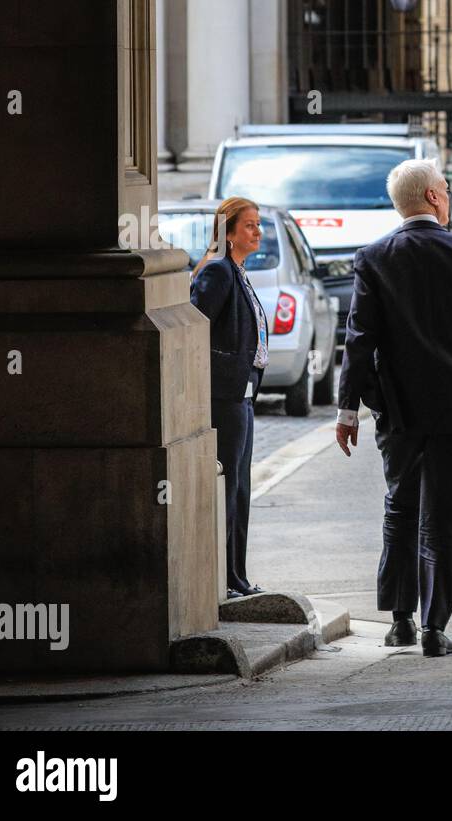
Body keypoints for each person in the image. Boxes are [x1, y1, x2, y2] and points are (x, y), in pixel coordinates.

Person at [335, 158, 452, 658]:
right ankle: (436, 627)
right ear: (433, 197)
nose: (449, 198)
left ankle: (400, 621)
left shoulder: (374, 256)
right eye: (446, 190)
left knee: (400, 505)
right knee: (448, 511)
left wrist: (347, 409)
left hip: (399, 407)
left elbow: (359, 337)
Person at [190, 196, 269, 600]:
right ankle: (225, 578)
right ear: (229, 232)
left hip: (243, 393)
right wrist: (226, 368)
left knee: (240, 486)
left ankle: (237, 576)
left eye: (258, 224)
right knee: (230, 486)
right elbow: (195, 328)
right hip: (225, 395)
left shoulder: (236, 270)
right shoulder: (218, 270)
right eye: (250, 225)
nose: (258, 232)